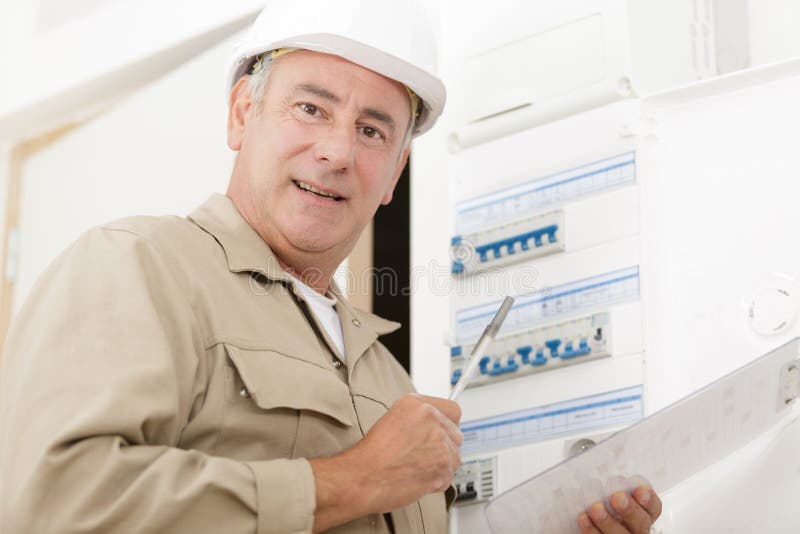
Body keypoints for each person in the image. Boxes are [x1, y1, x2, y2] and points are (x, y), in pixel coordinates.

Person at [0, 1, 661, 532]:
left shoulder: (389, 380)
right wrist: (354, 479)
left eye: (373, 131)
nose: (338, 152)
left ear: (394, 173)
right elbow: (52, 505)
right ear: (242, 114)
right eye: (311, 108)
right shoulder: (138, 266)